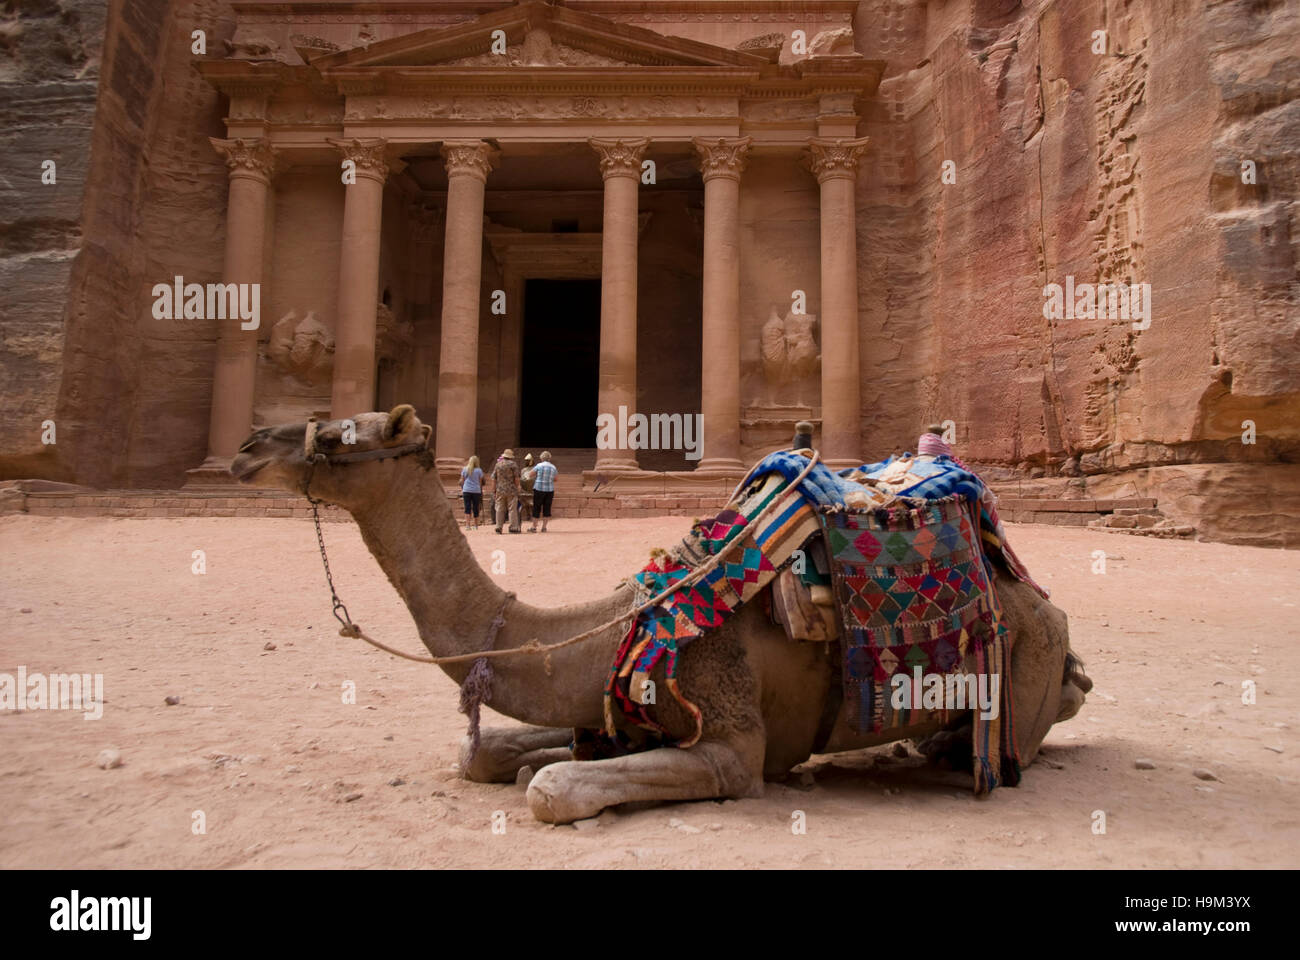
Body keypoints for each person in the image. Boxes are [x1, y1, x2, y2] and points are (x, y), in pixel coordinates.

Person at [491, 448, 522, 534]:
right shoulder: (513, 465)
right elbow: (516, 478)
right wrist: (518, 487)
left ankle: (498, 527)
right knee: (512, 509)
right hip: (511, 490)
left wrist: (493, 489)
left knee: (499, 508)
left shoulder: (498, 464)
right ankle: (513, 527)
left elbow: (494, 478)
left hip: (500, 489)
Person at [527, 450, 557, 533]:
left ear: (541, 458)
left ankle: (534, 527)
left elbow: (530, 474)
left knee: (536, 507)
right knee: (547, 508)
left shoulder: (539, 466)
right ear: (549, 458)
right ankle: (544, 527)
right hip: (549, 489)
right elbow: (556, 479)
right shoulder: (553, 467)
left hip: (539, 488)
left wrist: (538, 476)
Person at [459, 455, 484, 530]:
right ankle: (476, 525)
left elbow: (462, 480)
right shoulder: (479, 470)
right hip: (476, 490)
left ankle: (467, 525)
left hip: (466, 490)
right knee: (476, 507)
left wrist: (463, 488)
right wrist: (480, 491)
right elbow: (480, 482)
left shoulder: (465, 469)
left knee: (467, 507)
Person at [519, 453, 535, 525]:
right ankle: (529, 515)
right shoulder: (523, 470)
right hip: (525, 488)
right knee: (526, 503)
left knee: (531, 503)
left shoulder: (534, 469)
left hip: (532, 488)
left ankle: (531, 515)